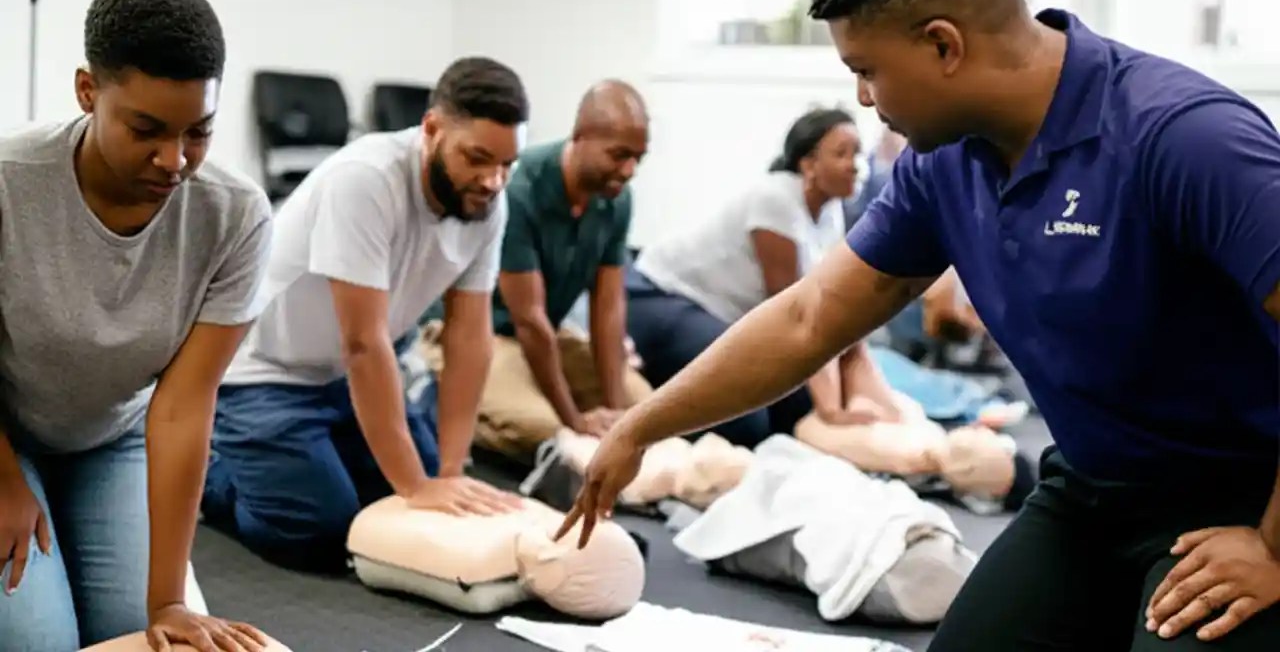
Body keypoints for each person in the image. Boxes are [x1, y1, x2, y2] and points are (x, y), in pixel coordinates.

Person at [559, 0, 1280, 650]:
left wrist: (1274, 550)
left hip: (1242, 501)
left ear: (944, 45)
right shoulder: (944, 166)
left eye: (867, 69)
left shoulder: (1181, 138)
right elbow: (809, 319)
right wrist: (640, 426)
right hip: (1092, 488)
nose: (863, 98)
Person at [0, 0, 272, 651]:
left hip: (112, 438)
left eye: (198, 133)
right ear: (88, 92)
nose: (175, 161)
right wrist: (4, 480)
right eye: (146, 130)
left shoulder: (235, 217)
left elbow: (183, 407)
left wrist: (169, 600)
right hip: (6, 430)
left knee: (145, 637)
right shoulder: (9, 182)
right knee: (39, 642)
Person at [202, 57, 527, 573]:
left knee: (399, 505)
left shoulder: (486, 200)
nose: (493, 180)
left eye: (507, 165)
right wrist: (417, 487)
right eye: (478, 158)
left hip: (346, 380)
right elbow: (362, 342)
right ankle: (206, 468)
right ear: (432, 130)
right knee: (323, 530)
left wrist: (446, 470)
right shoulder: (366, 179)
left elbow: (470, 336)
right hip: (265, 375)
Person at [627, 108, 904, 448]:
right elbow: (799, 318)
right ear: (808, 165)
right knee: (747, 421)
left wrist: (885, 409)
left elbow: (836, 315)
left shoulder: (830, 210)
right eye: (841, 154)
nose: (855, 165)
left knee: (797, 402)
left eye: (858, 153)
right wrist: (832, 410)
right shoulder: (775, 200)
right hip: (658, 297)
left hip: (718, 313)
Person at [473, 80, 652, 461]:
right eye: (619, 155)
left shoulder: (616, 201)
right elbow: (529, 321)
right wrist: (573, 419)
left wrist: (616, 413)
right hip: (487, 334)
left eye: (639, 157)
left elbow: (607, 308)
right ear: (580, 137)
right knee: (546, 429)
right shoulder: (520, 192)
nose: (630, 170)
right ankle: (456, 406)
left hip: (550, 335)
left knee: (650, 412)